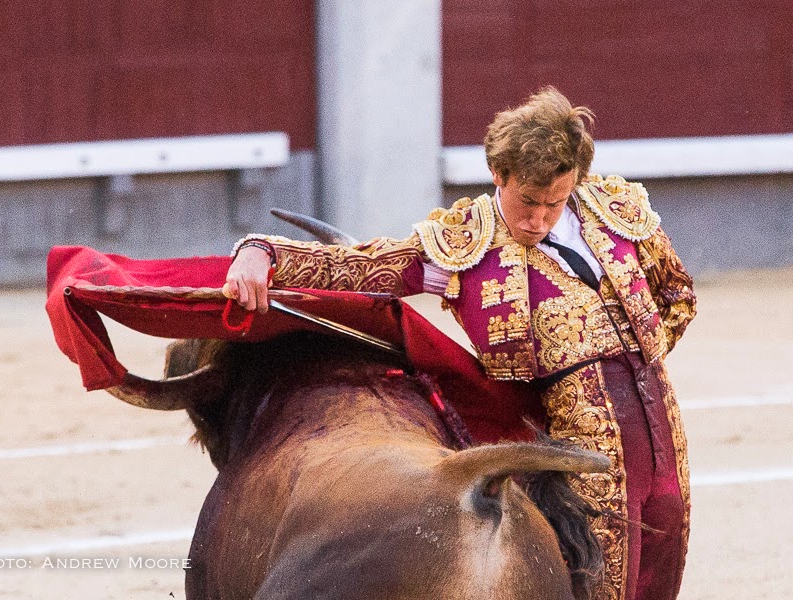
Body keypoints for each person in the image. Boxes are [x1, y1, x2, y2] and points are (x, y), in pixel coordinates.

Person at [223, 86, 696, 600]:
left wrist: (633, 353)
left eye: (555, 203)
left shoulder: (616, 210)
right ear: (499, 175)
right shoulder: (464, 245)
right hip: (578, 449)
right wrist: (262, 252)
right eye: (527, 202)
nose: (537, 220)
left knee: (665, 566)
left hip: (664, 432)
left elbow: (677, 294)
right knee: (593, 582)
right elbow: (363, 266)